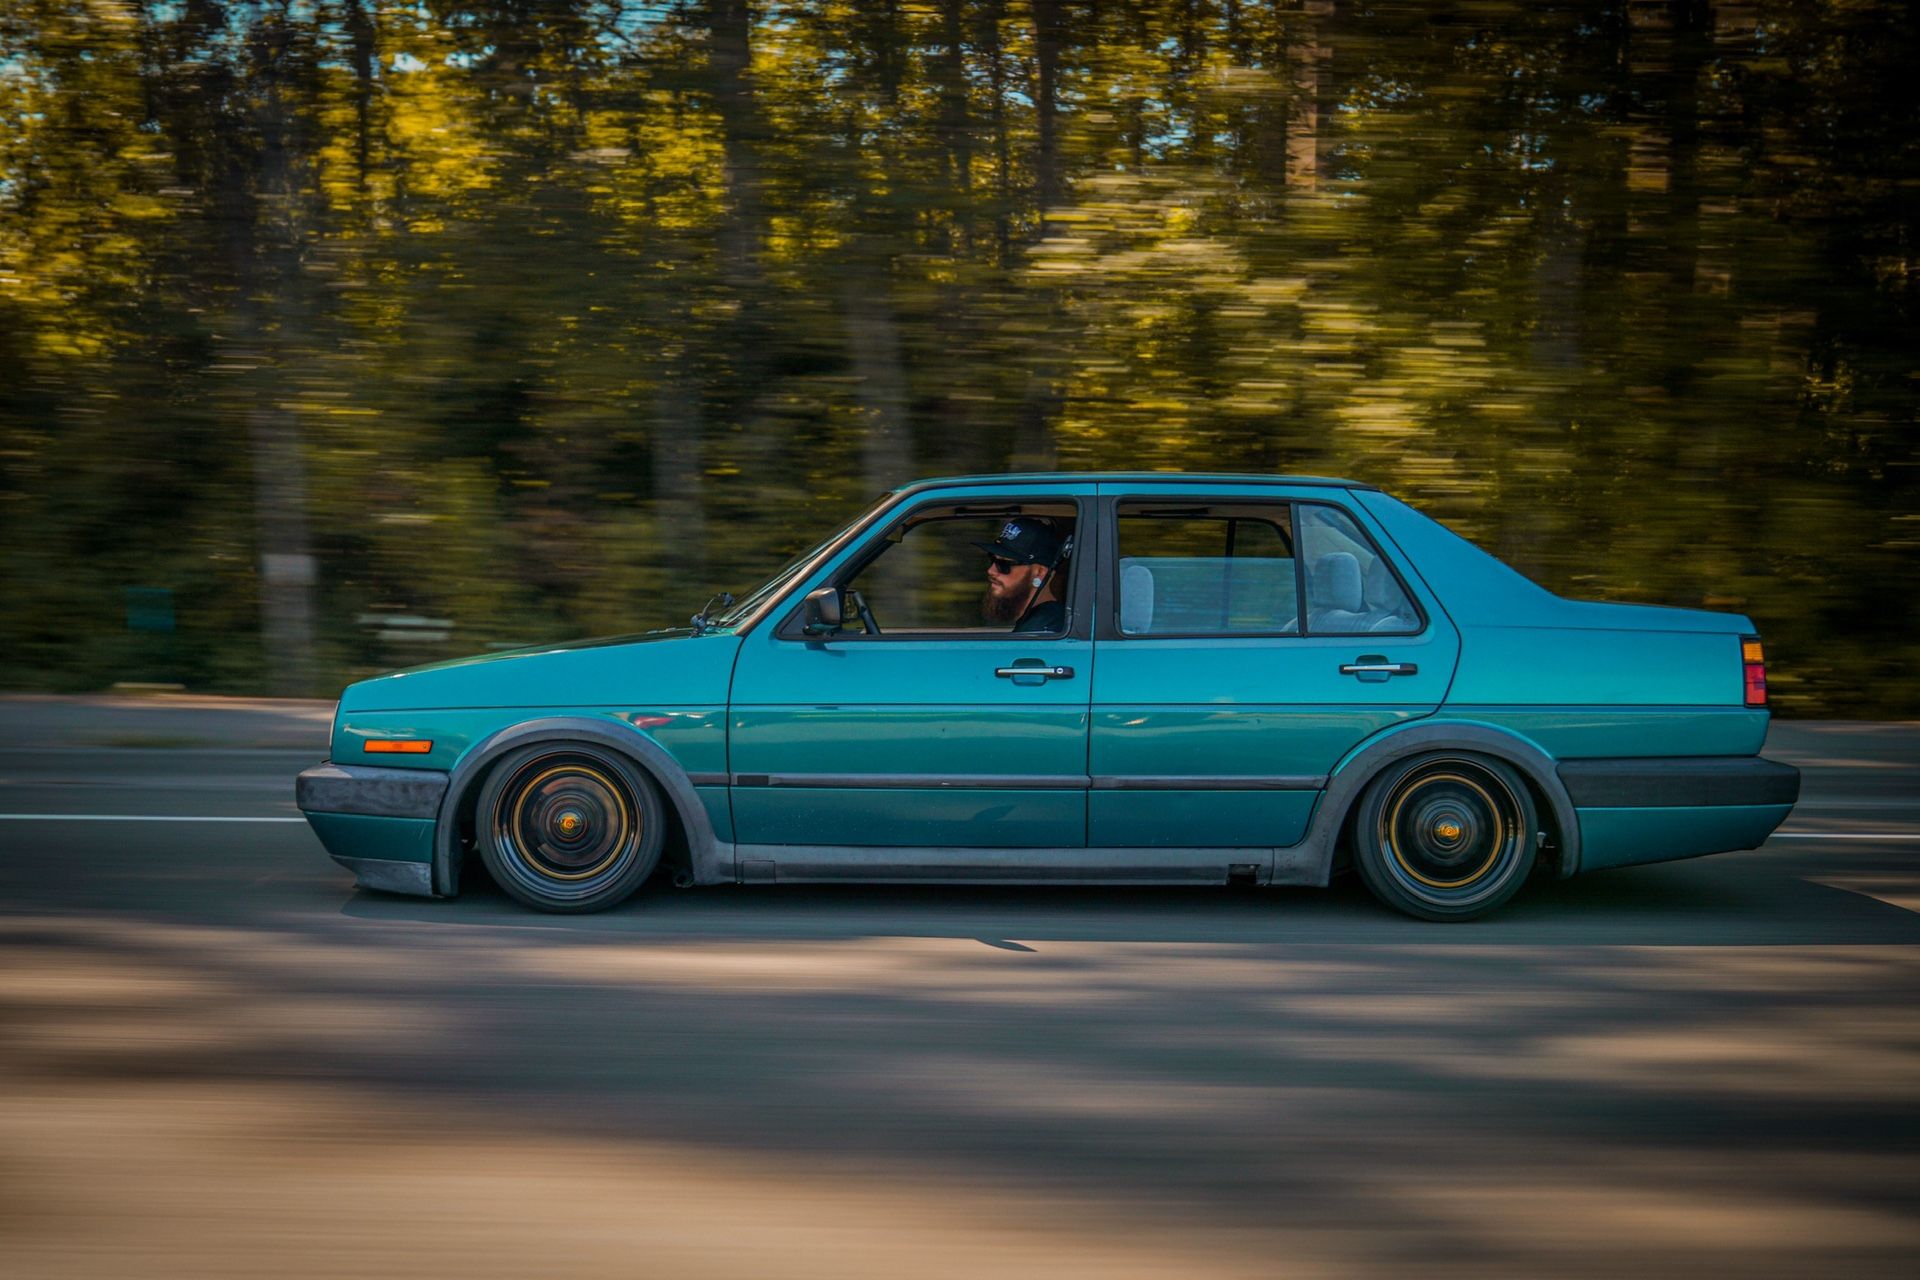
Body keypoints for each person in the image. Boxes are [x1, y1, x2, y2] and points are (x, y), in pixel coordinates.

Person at [975, 517, 1070, 633]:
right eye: (992, 559)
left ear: (1040, 572)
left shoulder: (1045, 629)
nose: (991, 570)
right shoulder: (1036, 623)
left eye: (1004, 564)